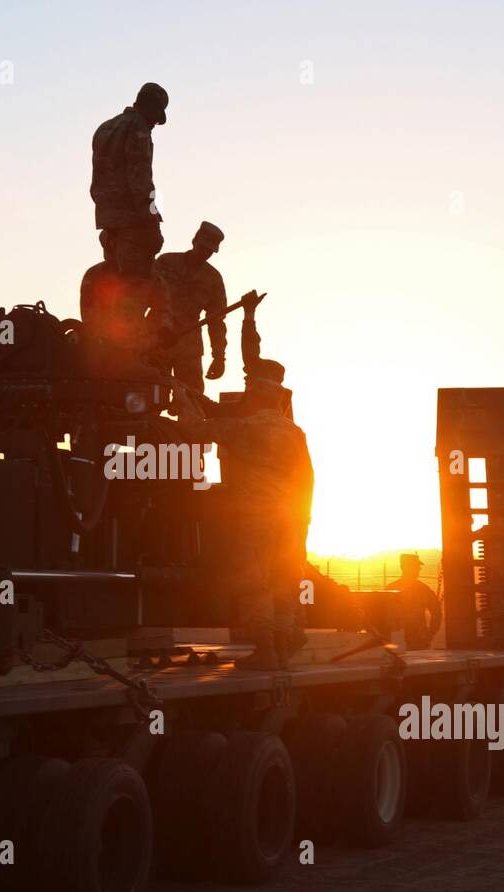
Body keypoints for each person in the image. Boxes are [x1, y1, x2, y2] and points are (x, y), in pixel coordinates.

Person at [172, 356, 313, 670]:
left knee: (255, 584)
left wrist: (181, 398)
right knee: (283, 582)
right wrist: (302, 523)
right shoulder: (295, 433)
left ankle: (265, 649)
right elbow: (309, 480)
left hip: (257, 519)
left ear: (253, 394)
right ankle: (283, 646)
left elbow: (195, 431)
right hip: (291, 520)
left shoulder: (246, 428)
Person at [90, 83, 168, 331]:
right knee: (136, 284)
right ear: (151, 108)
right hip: (134, 221)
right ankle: (127, 348)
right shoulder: (139, 130)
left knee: (114, 282)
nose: (156, 123)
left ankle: (108, 342)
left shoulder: (105, 128)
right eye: (157, 116)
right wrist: (152, 217)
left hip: (109, 221)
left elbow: (99, 178)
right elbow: (141, 180)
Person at [153, 221, 228, 393]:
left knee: (192, 399)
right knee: (152, 394)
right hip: (157, 340)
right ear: (194, 241)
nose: (205, 253)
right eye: (203, 247)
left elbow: (216, 322)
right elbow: (142, 296)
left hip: (188, 348)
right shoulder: (165, 262)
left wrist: (219, 357)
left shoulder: (213, 279)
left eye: (210, 251)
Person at [384, 553, 442, 651]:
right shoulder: (422, 589)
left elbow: (436, 612)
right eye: (415, 566)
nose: (418, 569)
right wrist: (430, 634)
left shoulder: (392, 588)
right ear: (404, 567)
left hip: (413, 639)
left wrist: (430, 634)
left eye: (418, 567)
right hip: (405, 639)